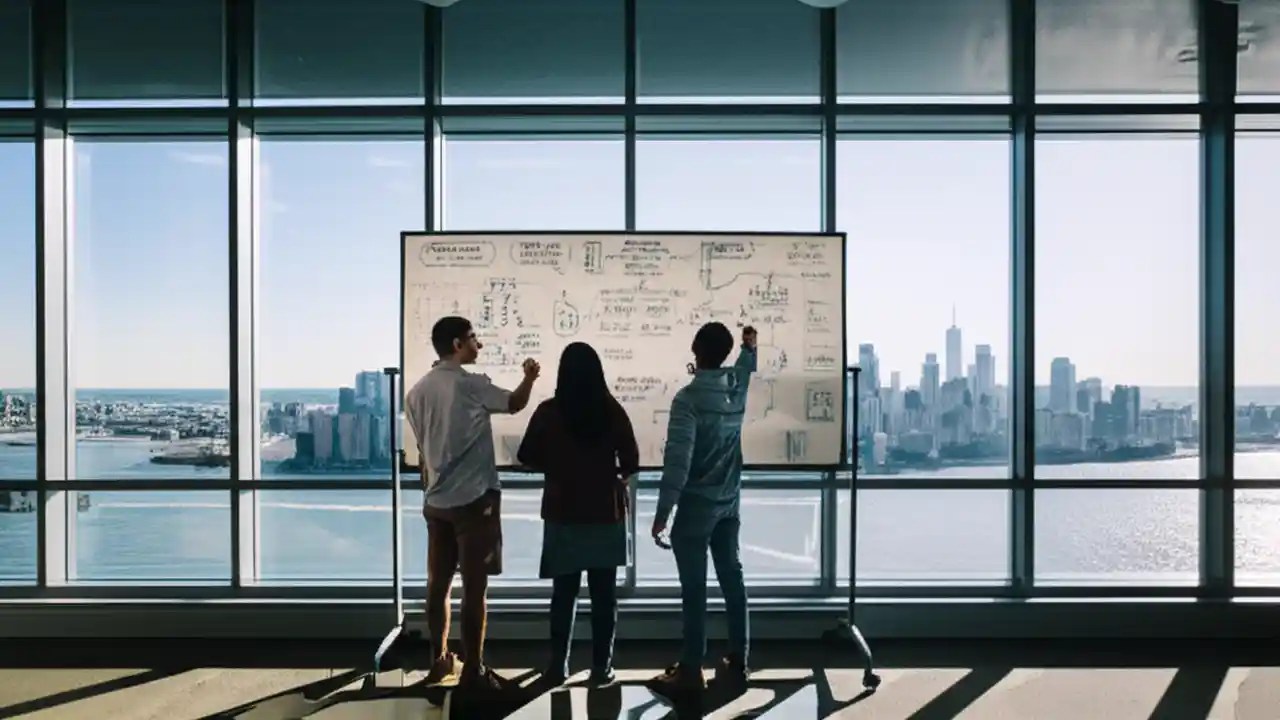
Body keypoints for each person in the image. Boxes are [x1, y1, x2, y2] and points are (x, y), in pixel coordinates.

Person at [405, 316, 540, 691]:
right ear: (456, 344)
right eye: (473, 339)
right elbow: (514, 403)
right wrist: (529, 377)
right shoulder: (470, 385)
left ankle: (439, 659)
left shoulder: (416, 393)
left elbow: (422, 450)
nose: (478, 345)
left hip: (436, 503)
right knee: (475, 589)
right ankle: (473, 669)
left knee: (438, 584)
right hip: (474, 500)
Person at [517, 342, 639, 687]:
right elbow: (631, 461)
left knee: (563, 594)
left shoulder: (548, 411)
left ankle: (558, 667)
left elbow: (526, 454)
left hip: (563, 510)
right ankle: (602, 668)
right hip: (605, 512)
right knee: (604, 597)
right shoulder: (612, 411)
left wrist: (555, 466)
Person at [648, 323, 758, 695]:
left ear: (695, 349)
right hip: (729, 503)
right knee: (732, 578)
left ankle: (691, 667)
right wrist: (748, 348)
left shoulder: (688, 401)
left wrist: (663, 513)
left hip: (696, 507)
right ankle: (739, 661)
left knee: (695, 589)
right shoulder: (736, 392)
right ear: (724, 353)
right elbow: (744, 370)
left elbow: (678, 463)